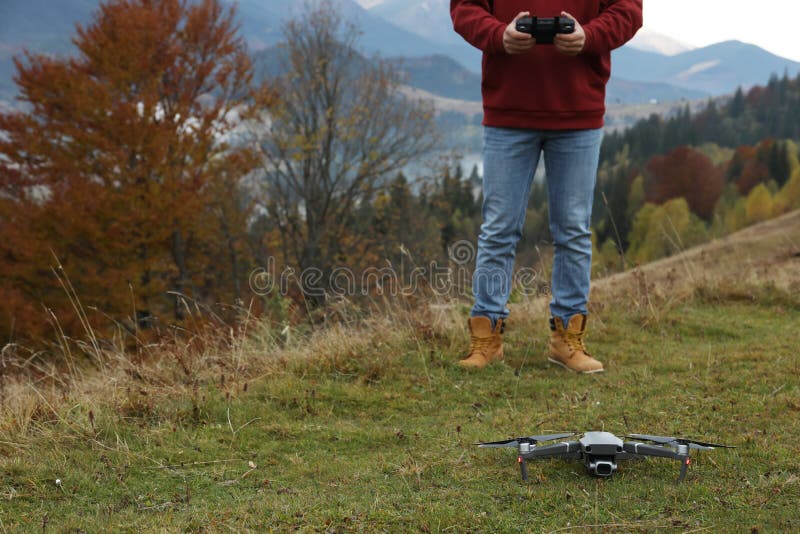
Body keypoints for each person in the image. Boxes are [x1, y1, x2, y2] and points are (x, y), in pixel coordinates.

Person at [450, 0, 643, 372]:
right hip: (508, 113)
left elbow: (628, 10)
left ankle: (566, 340)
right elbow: (464, 7)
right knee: (498, 230)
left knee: (572, 230)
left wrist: (589, 37)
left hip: (578, 113)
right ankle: (486, 340)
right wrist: (498, 35)